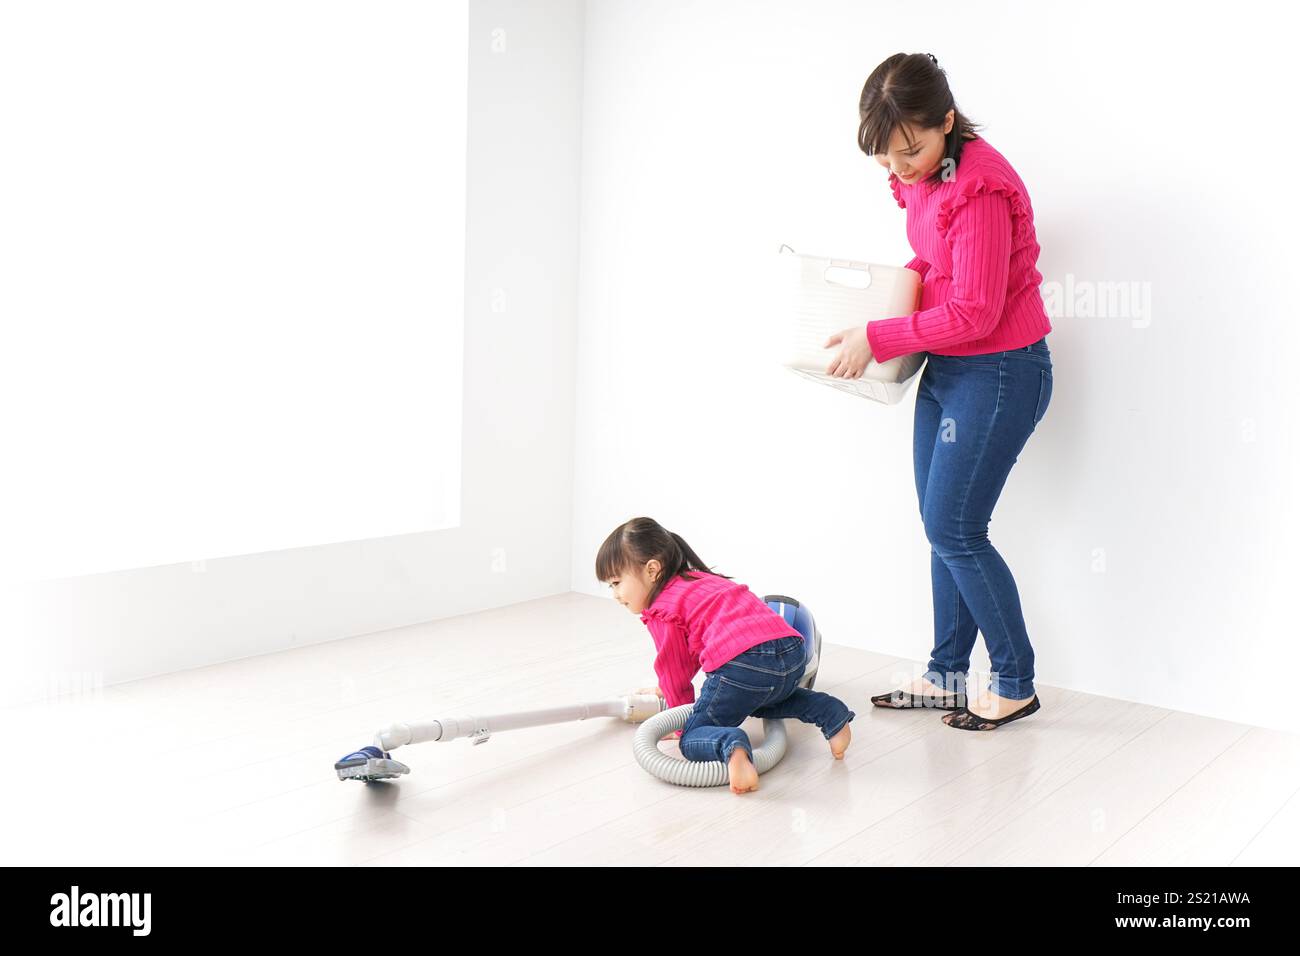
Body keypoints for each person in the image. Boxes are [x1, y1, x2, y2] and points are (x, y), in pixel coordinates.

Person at [823, 52, 1053, 731]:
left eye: (911, 151)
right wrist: (892, 289)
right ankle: (946, 676)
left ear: (947, 122)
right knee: (940, 529)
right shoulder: (929, 172)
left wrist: (882, 334)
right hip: (948, 366)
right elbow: (936, 258)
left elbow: (979, 312)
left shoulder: (978, 186)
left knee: (956, 528)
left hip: (1001, 369)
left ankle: (1014, 681)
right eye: (887, 159)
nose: (901, 169)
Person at [596, 516, 856, 793]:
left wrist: (682, 721)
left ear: (652, 570)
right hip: (791, 652)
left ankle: (733, 749)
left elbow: (676, 669)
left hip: (743, 664)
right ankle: (832, 715)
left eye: (616, 582)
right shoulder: (702, 580)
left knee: (693, 737)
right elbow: (704, 642)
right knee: (758, 699)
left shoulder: (661, 608)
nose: (615, 594)